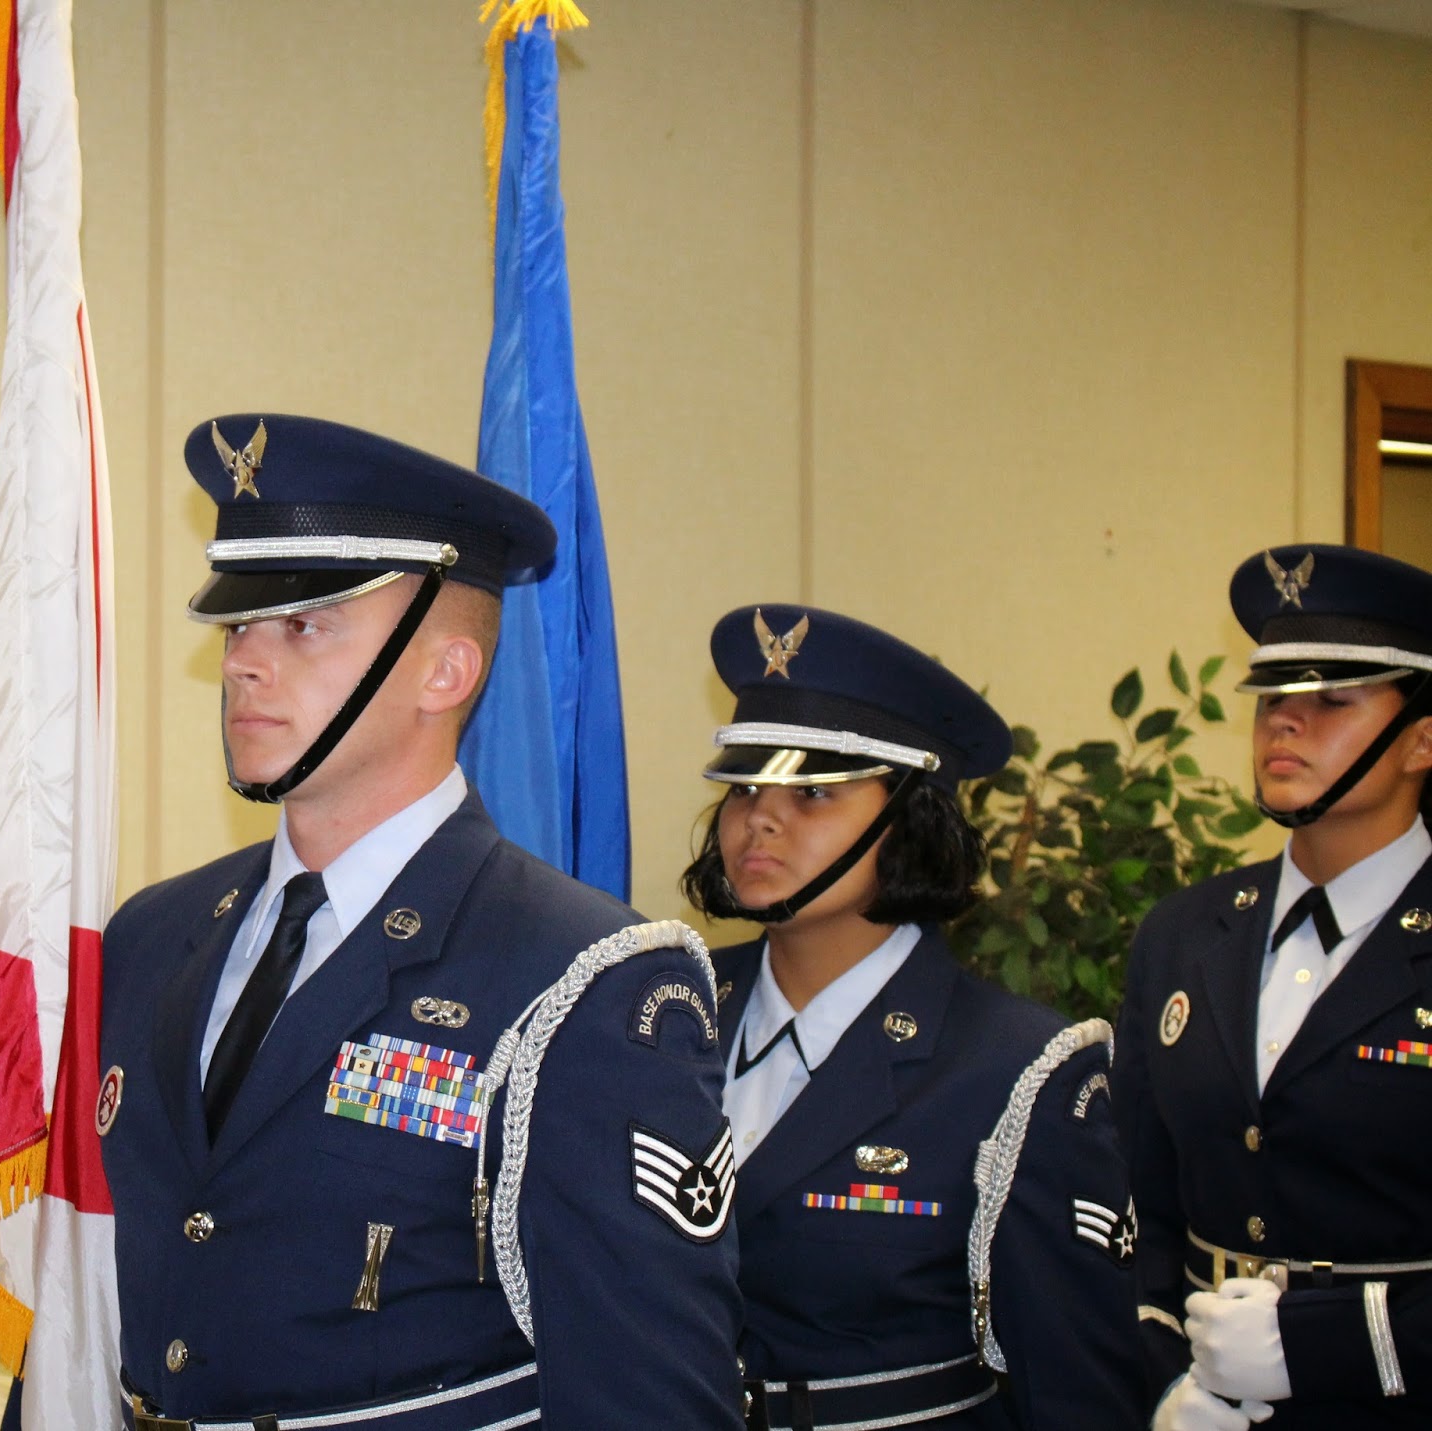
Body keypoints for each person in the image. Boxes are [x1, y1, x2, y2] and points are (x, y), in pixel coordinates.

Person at [97, 414, 743, 1430]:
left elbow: (647, 1394)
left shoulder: (581, 977)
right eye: (238, 627)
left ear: (445, 673)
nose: (242, 665)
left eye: (302, 625)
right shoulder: (152, 935)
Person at [680, 604, 1146, 1430]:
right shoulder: (665, 1016)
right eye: (745, 785)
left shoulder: (1018, 1070)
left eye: (815, 790)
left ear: (908, 823)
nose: (763, 816)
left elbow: (1077, 1391)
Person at [1114, 544, 1432, 1430]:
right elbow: (1132, 1203)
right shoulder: (1184, 933)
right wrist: (1162, 1376)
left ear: (1423, 737)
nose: (1285, 723)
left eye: (1332, 700)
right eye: (1275, 700)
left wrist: (1335, 1345)